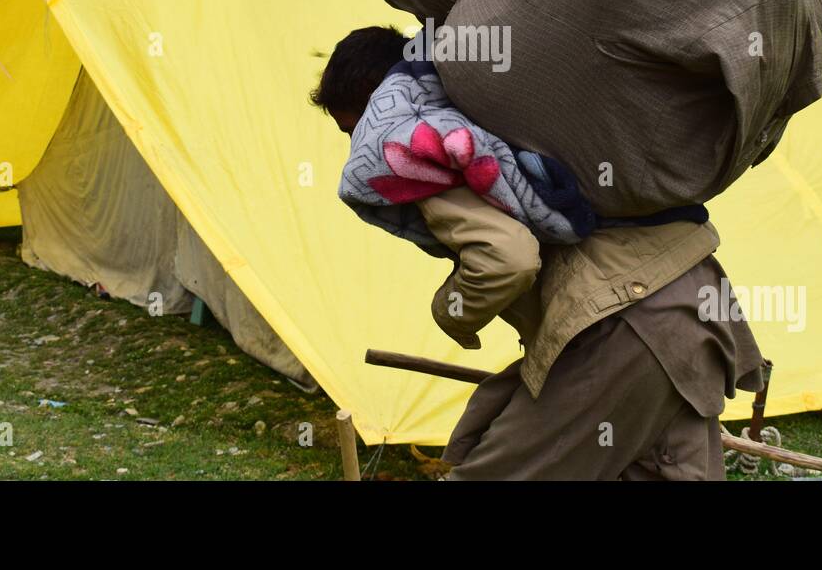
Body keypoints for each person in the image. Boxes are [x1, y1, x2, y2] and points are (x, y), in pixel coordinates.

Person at [312, 26, 766, 480]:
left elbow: (507, 258)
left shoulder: (416, 150)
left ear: (375, 102)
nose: (355, 145)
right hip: (697, 300)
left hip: (621, 325)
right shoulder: (500, 115)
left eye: (351, 128)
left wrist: (451, 313)